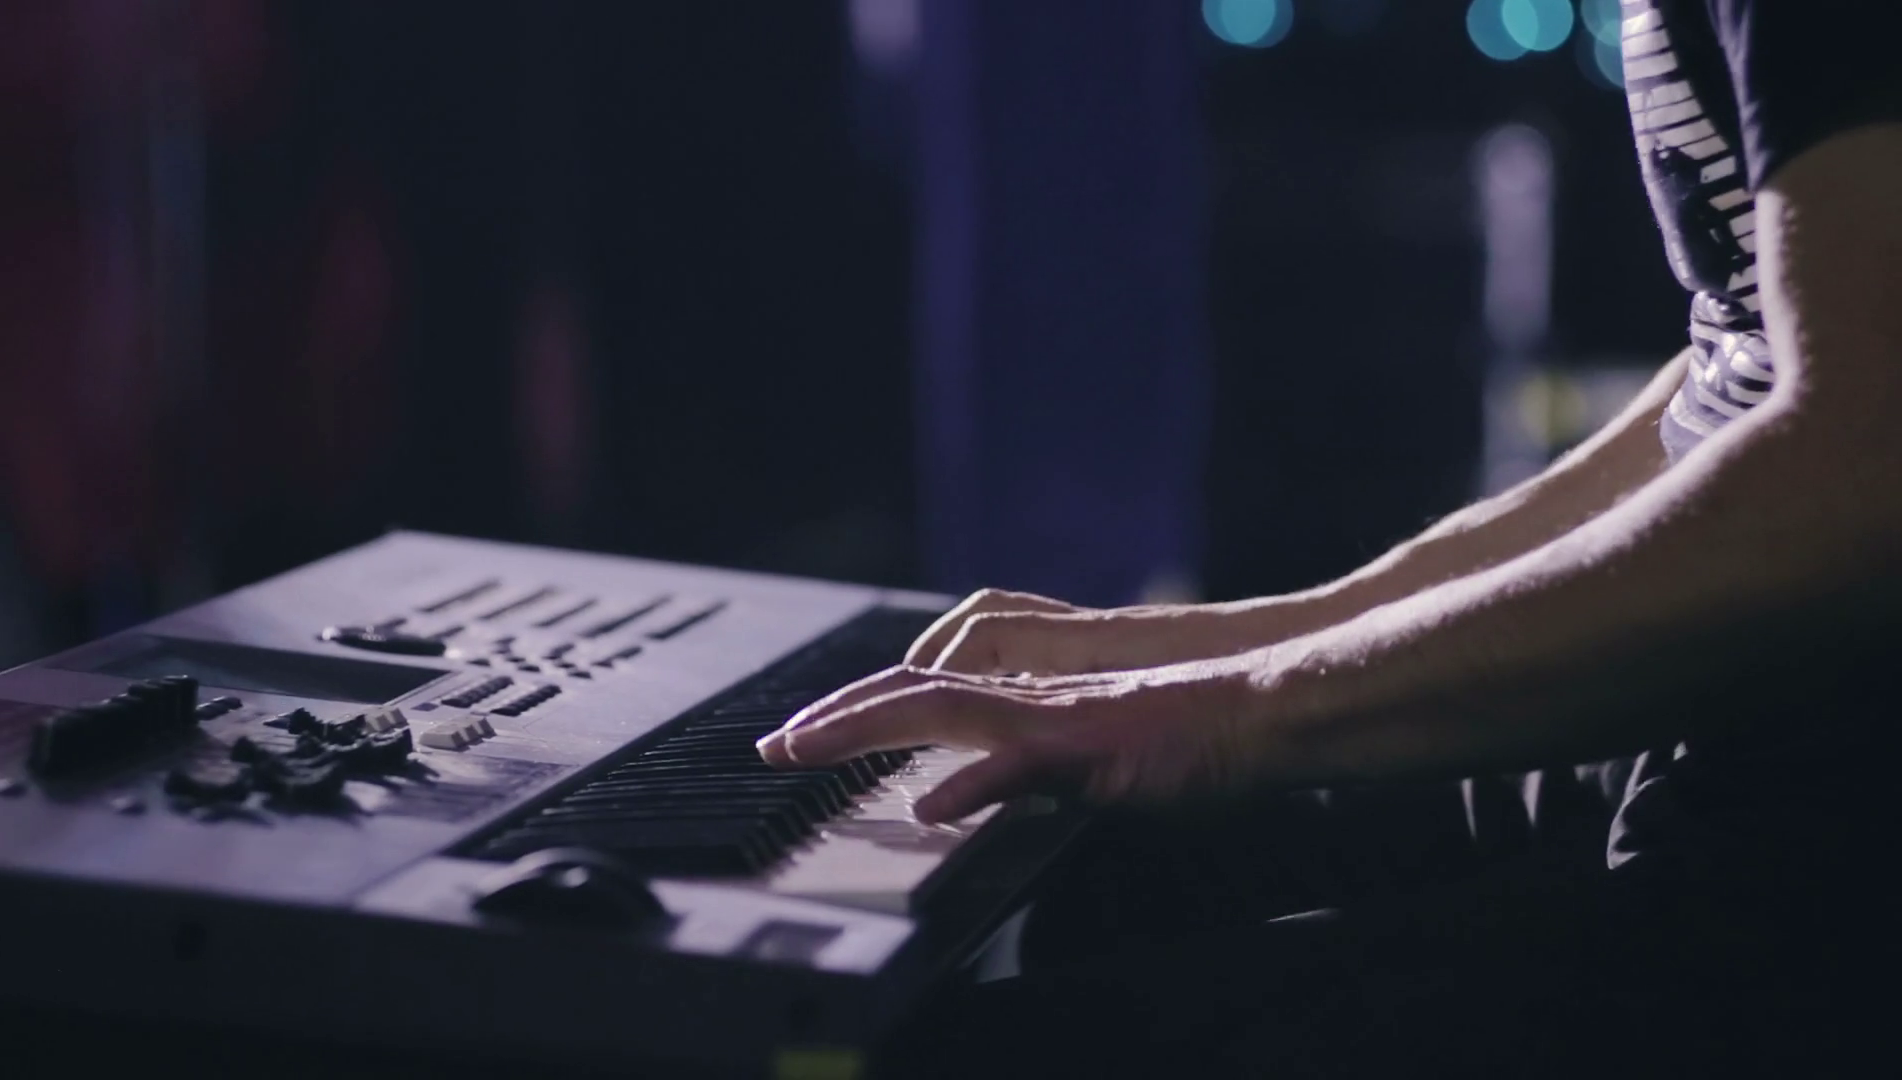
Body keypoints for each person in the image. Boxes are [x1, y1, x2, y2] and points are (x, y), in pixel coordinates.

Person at [761, 1, 1902, 1075]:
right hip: (1731, 715)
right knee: (1083, 875)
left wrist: (1234, 712)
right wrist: (1250, 643)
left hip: (1831, 833)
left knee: (962, 1054)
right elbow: (1748, 355)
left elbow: (1861, 463)